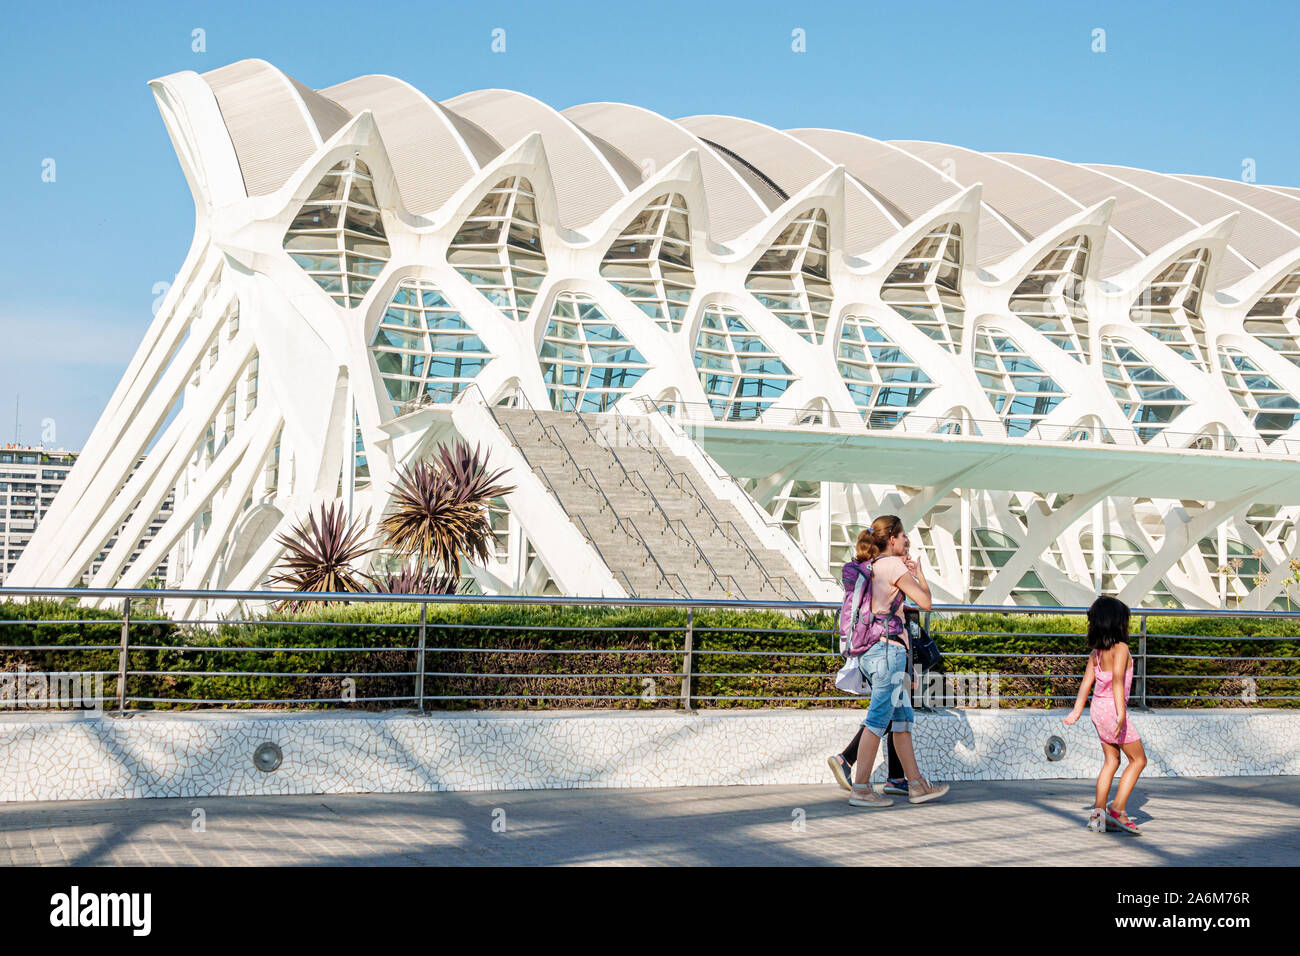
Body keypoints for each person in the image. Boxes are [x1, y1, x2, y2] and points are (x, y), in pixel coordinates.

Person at [834, 515, 949, 808]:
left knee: (901, 719)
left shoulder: (871, 566)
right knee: (878, 720)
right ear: (893, 538)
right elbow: (925, 602)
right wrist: (919, 574)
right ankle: (860, 789)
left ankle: (916, 785)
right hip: (888, 653)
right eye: (904, 535)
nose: (907, 541)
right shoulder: (893, 565)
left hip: (873, 652)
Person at [1063, 595, 1148, 834]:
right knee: (1139, 760)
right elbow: (1118, 682)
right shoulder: (1121, 648)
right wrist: (1122, 714)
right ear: (1117, 623)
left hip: (1098, 710)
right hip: (1113, 709)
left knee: (1111, 761)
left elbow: (1085, 685)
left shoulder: (1096, 653)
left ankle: (1097, 816)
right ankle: (1117, 809)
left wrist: (1077, 711)